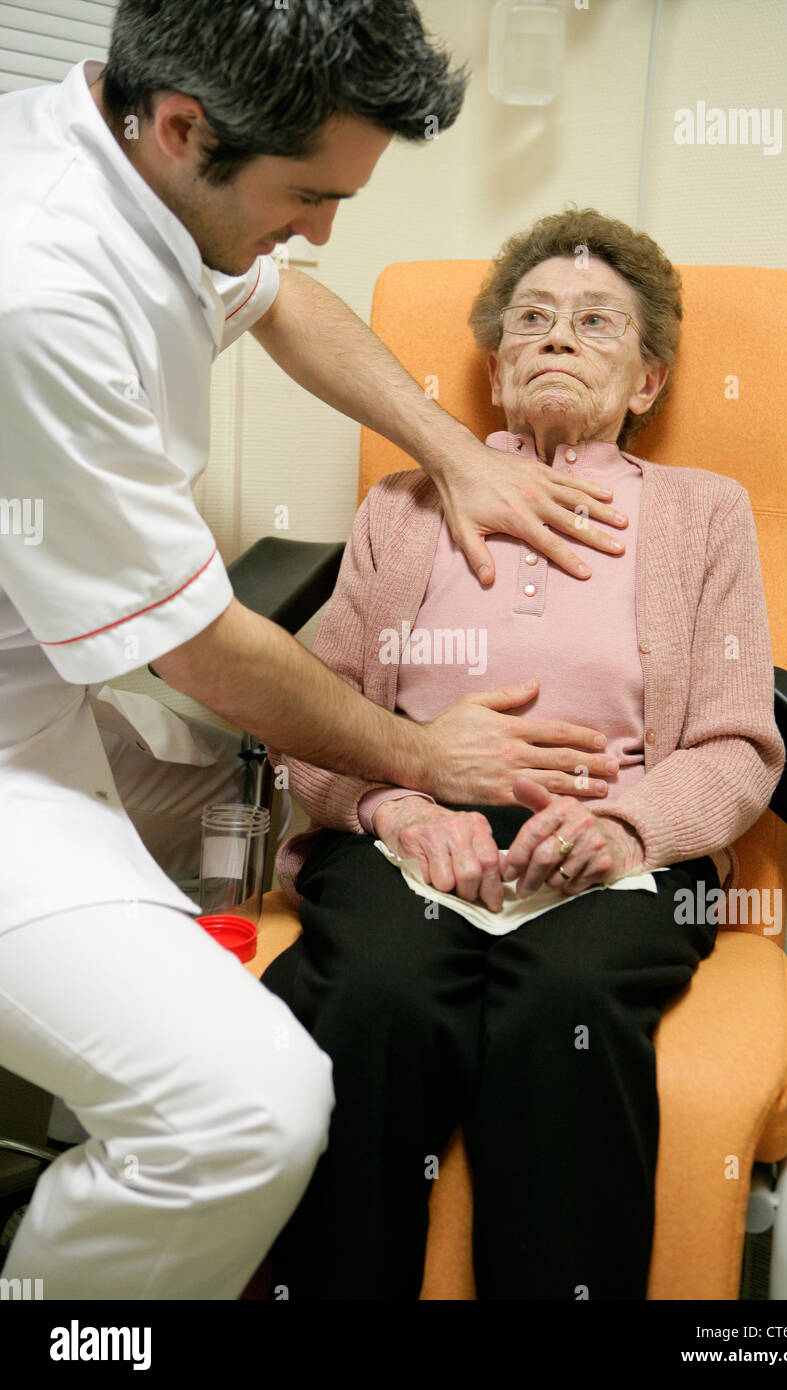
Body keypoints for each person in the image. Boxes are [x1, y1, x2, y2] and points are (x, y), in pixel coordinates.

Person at [0, 3, 629, 1300]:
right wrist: (415, 766)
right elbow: (201, 650)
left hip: (58, 680)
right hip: (89, 705)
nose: (324, 230)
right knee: (244, 1099)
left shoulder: (153, 173)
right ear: (184, 130)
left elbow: (291, 301)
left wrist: (451, 452)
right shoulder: (41, 281)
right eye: (306, 194)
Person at [261, 206, 786, 1300]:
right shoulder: (399, 509)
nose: (555, 334)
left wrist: (622, 825)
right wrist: (388, 808)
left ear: (645, 382)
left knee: (570, 1005)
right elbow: (308, 722)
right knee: (374, 995)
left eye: (596, 322)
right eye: (532, 319)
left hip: (614, 844)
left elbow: (737, 743)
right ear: (495, 373)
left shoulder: (700, 513)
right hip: (409, 835)